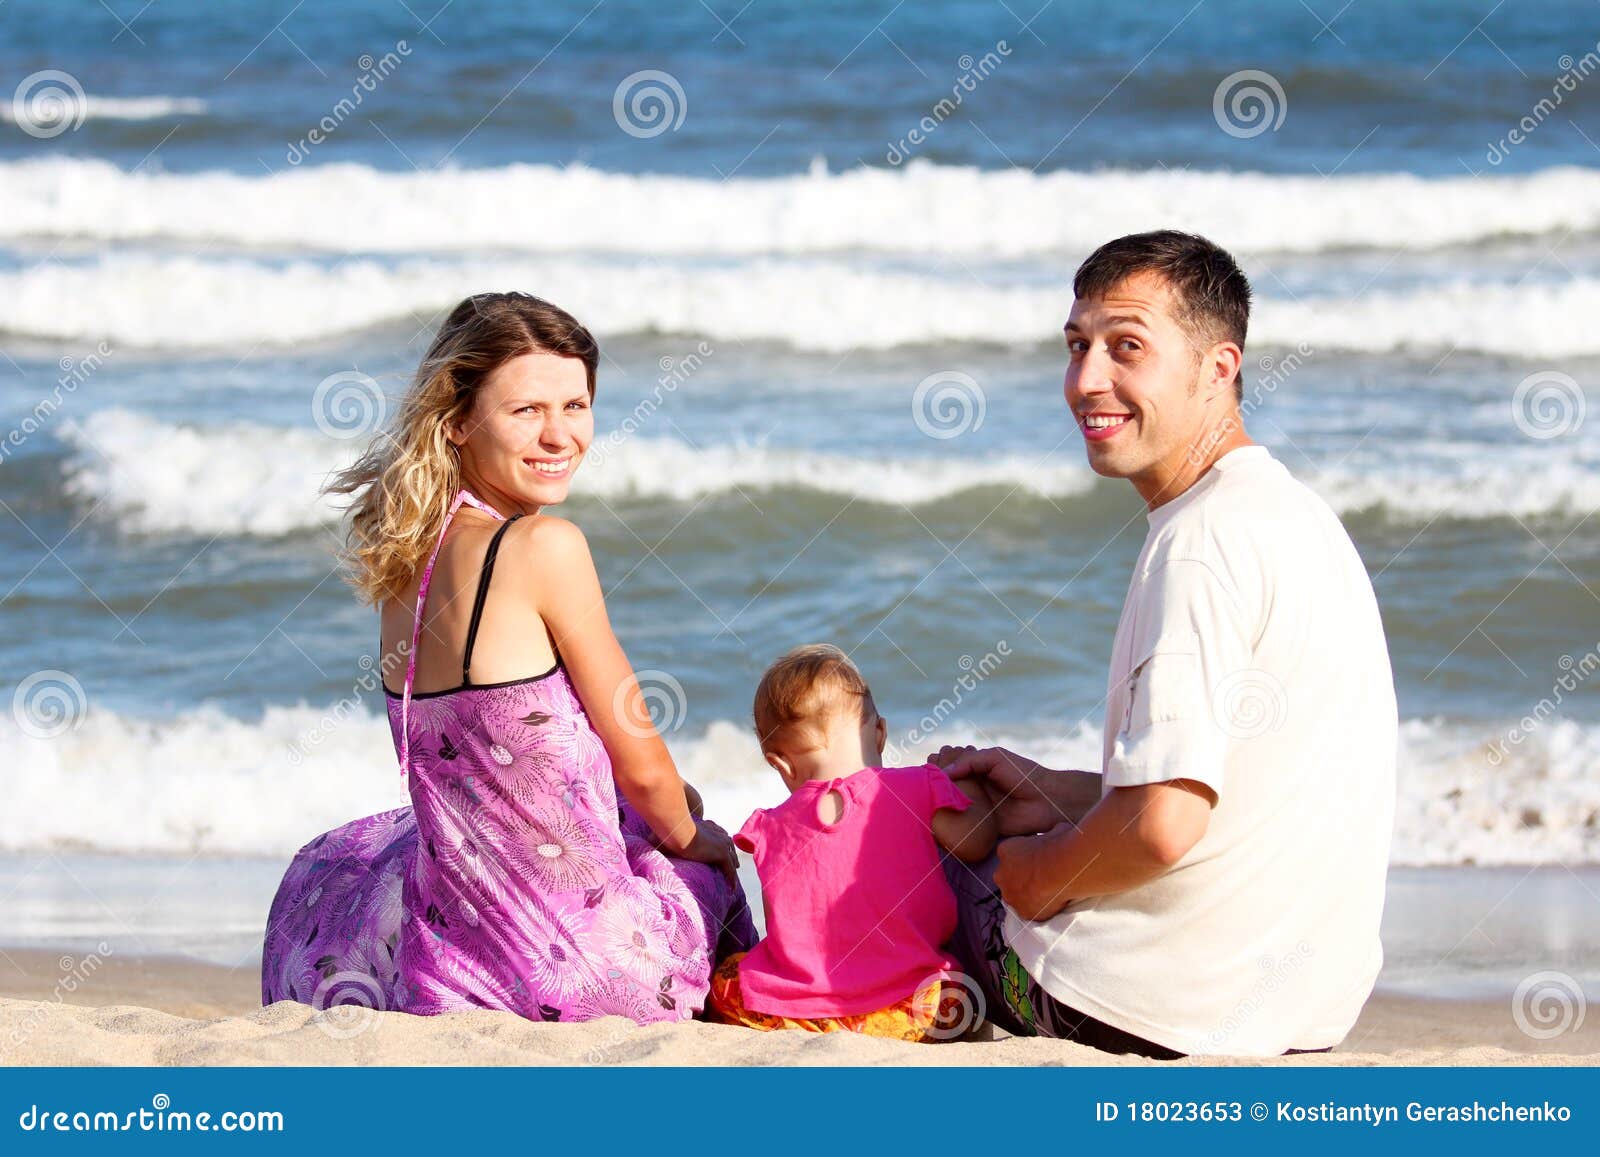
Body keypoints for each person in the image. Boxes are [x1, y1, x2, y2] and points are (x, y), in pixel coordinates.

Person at [933, 231, 1397, 1058]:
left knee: (924, 840)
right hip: (1301, 1015)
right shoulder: (1297, 517)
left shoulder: (1199, 541)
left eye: (1127, 348)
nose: (1086, 380)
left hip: (1140, 1012)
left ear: (1219, 367)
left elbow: (1159, 828)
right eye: (1077, 346)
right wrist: (1064, 793)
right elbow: (1236, 796)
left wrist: (1032, 872)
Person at [261, 291, 755, 1024]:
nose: (560, 435)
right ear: (457, 419)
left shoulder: (403, 567)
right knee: (693, 850)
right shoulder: (546, 546)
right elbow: (644, 763)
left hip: (451, 965)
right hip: (589, 971)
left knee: (348, 858)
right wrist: (695, 840)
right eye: (527, 410)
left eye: (576, 406)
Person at [708, 645, 998, 1040]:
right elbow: (979, 841)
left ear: (781, 764)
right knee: (960, 995)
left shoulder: (768, 827)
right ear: (879, 732)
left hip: (799, 1015)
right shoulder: (920, 787)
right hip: (907, 1007)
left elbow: (784, 933)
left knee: (728, 979)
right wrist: (967, 780)